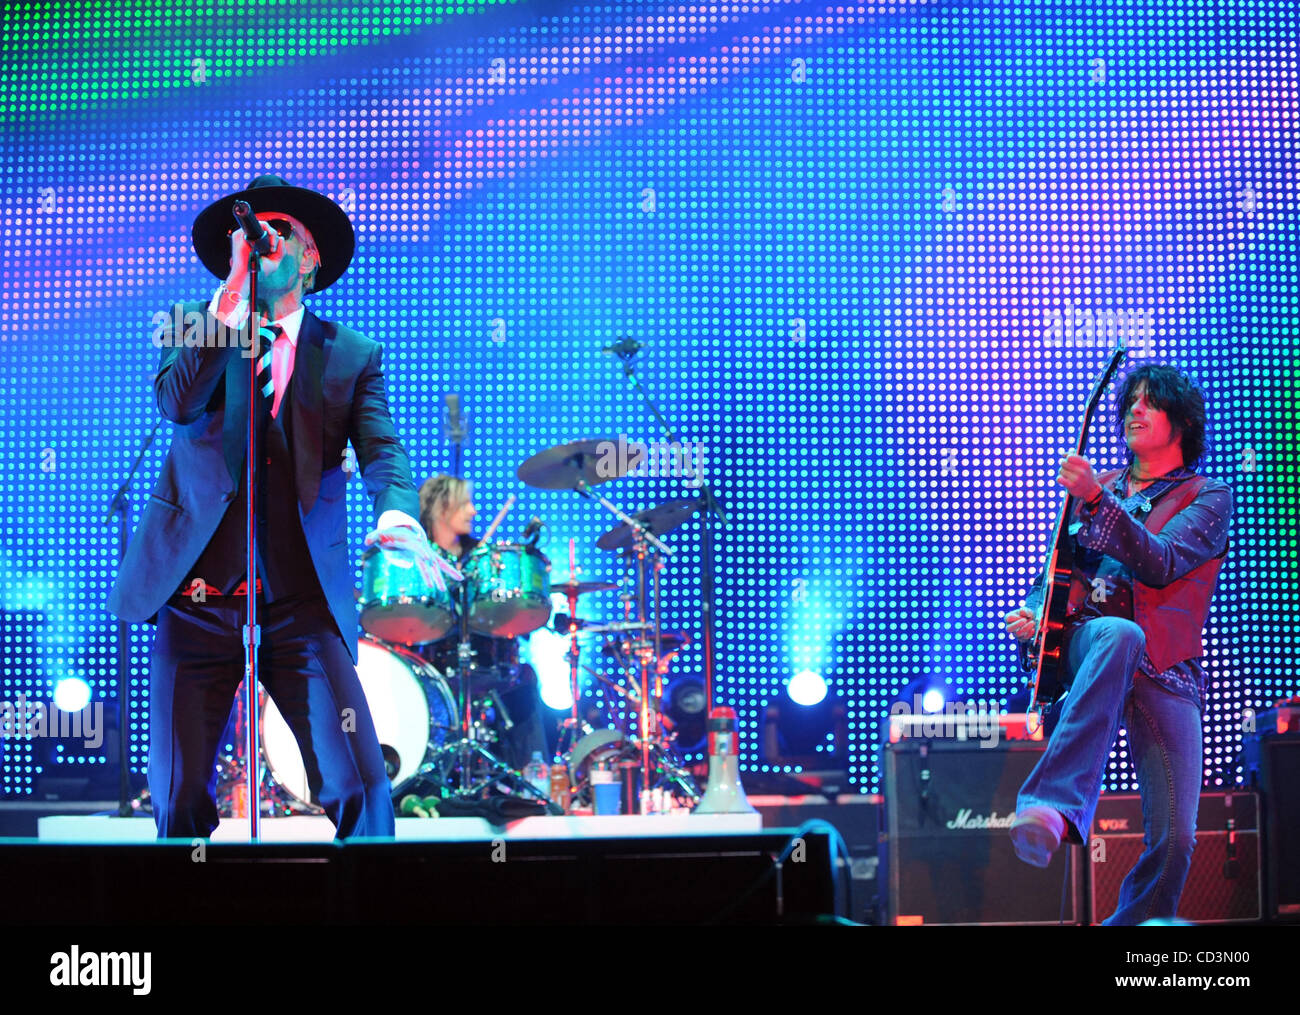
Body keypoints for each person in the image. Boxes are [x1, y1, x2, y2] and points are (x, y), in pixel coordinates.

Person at [108, 174, 455, 839]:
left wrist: (398, 515)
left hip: (298, 606)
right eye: (252, 234)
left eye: (278, 234)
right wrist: (230, 303)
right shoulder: (198, 322)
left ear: (311, 256)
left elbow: (381, 448)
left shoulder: (350, 354)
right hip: (196, 600)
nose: (261, 243)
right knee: (178, 800)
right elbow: (178, 404)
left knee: (360, 788)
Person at [1005, 364, 1232, 924]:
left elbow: (1161, 563)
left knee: (1177, 841)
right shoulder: (1100, 487)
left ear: (1179, 421)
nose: (1134, 410)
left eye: (1149, 403)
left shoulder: (1207, 497)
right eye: (1130, 401)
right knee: (1118, 633)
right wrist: (1034, 612)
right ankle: (1050, 807)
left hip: (1165, 668)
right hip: (1096, 643)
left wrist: (1095, 502)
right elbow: (1059, 571)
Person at [417, 474, 549, 771]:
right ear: (441, 508)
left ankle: (531, 779)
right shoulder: (416, 557)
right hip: (429, 663)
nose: (473, 511)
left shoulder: (483, 555)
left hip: (486, 659)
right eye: (465, 504)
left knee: (525, 679)